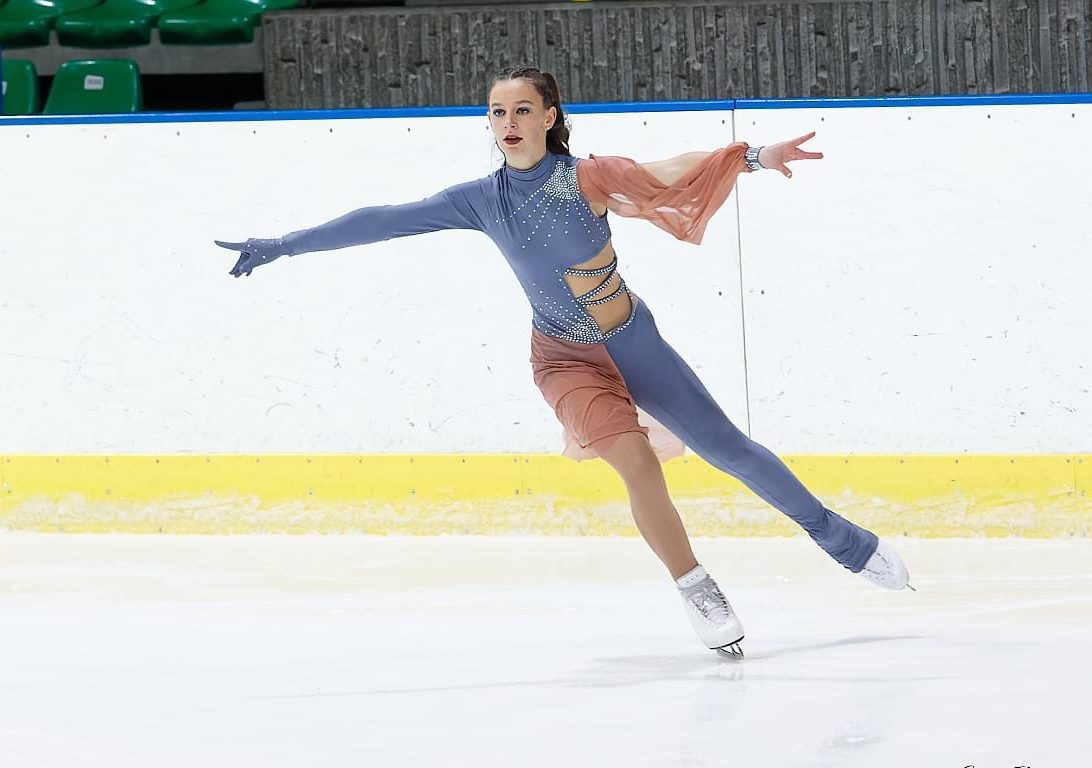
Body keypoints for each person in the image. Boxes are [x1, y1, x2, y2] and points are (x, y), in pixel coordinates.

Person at [216, 65, 911, 660]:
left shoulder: (588, 178)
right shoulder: (480, 201)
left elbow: (663, 174)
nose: (509, 121)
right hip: (564, 361)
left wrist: (752, 156)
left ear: (550, 117)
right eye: (497, 112)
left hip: (634, 340)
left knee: (732, 449)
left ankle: (844, 543)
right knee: (635, 461)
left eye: (522, 109)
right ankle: (696, 587)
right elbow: (382, 218)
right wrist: (284, 243)